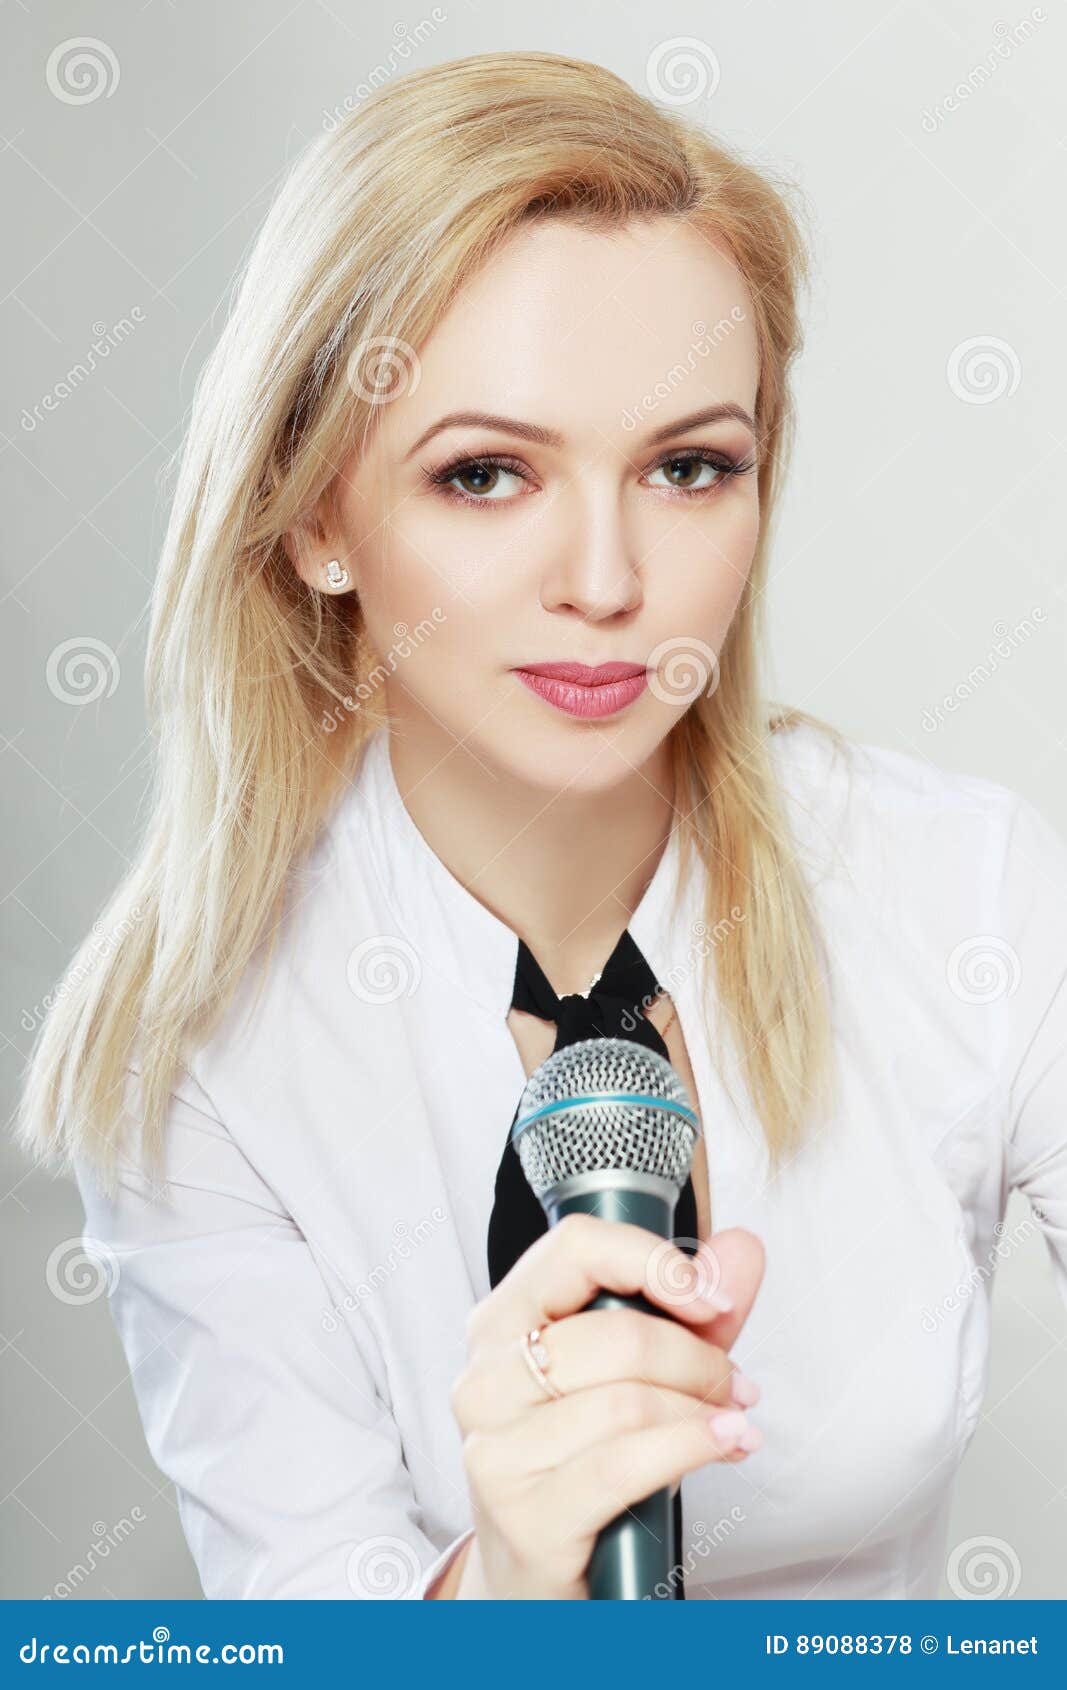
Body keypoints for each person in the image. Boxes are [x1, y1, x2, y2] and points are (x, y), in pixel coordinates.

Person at [16, 51, 1067, 1601]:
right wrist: (504, 1581)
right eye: (488, 473)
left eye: (689, 466)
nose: (607, 578)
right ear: (315, 514)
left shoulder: (963, 889)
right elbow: (312, 1615)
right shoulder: (197, 1051)